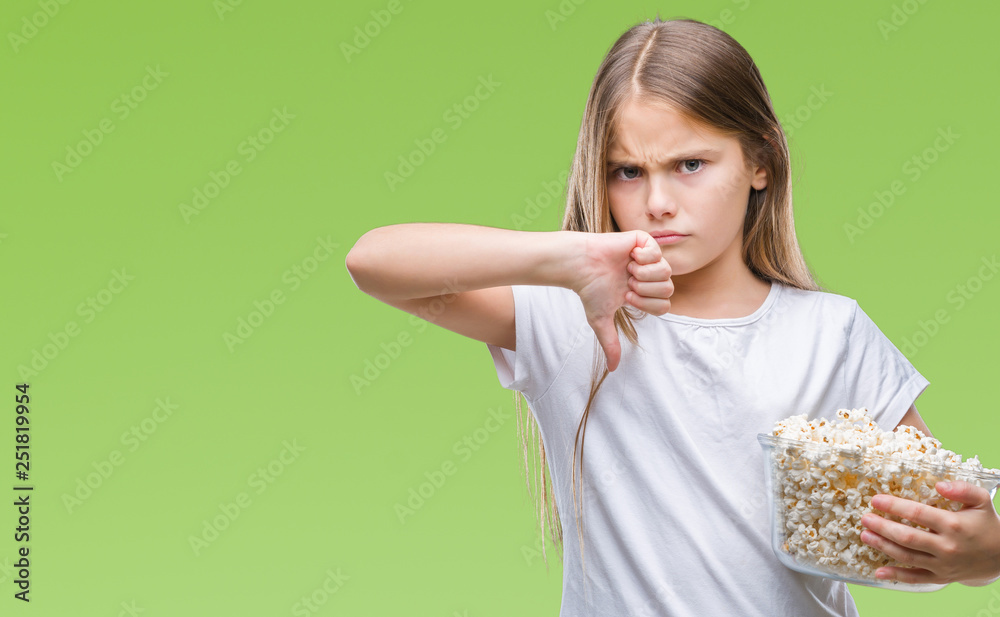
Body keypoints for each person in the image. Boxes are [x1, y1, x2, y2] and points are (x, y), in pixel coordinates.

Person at [345, 16, 1000, 616]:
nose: (657, 202)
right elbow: (374, 261)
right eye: (627, 171)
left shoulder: (832, 332)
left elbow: (944, 520)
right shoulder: (571, 317)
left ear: (761, 160)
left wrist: (984, 555)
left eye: (690, 164)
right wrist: (570, 255)